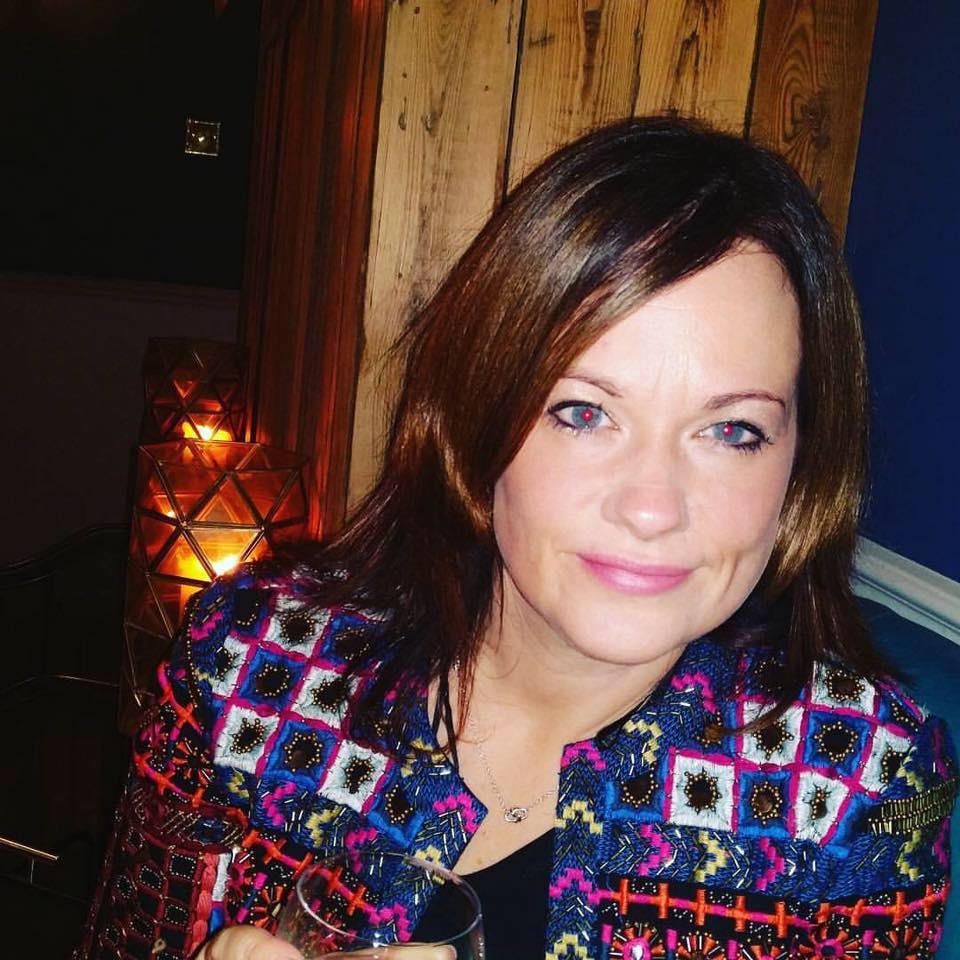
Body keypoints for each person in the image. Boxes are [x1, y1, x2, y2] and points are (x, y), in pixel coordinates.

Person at [77, 116, 957, 960]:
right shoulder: (244, 664)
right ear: (479, 417)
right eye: (583, 412)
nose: (652, 508)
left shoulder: (862, 787)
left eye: (732, 432)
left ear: (800, 466)